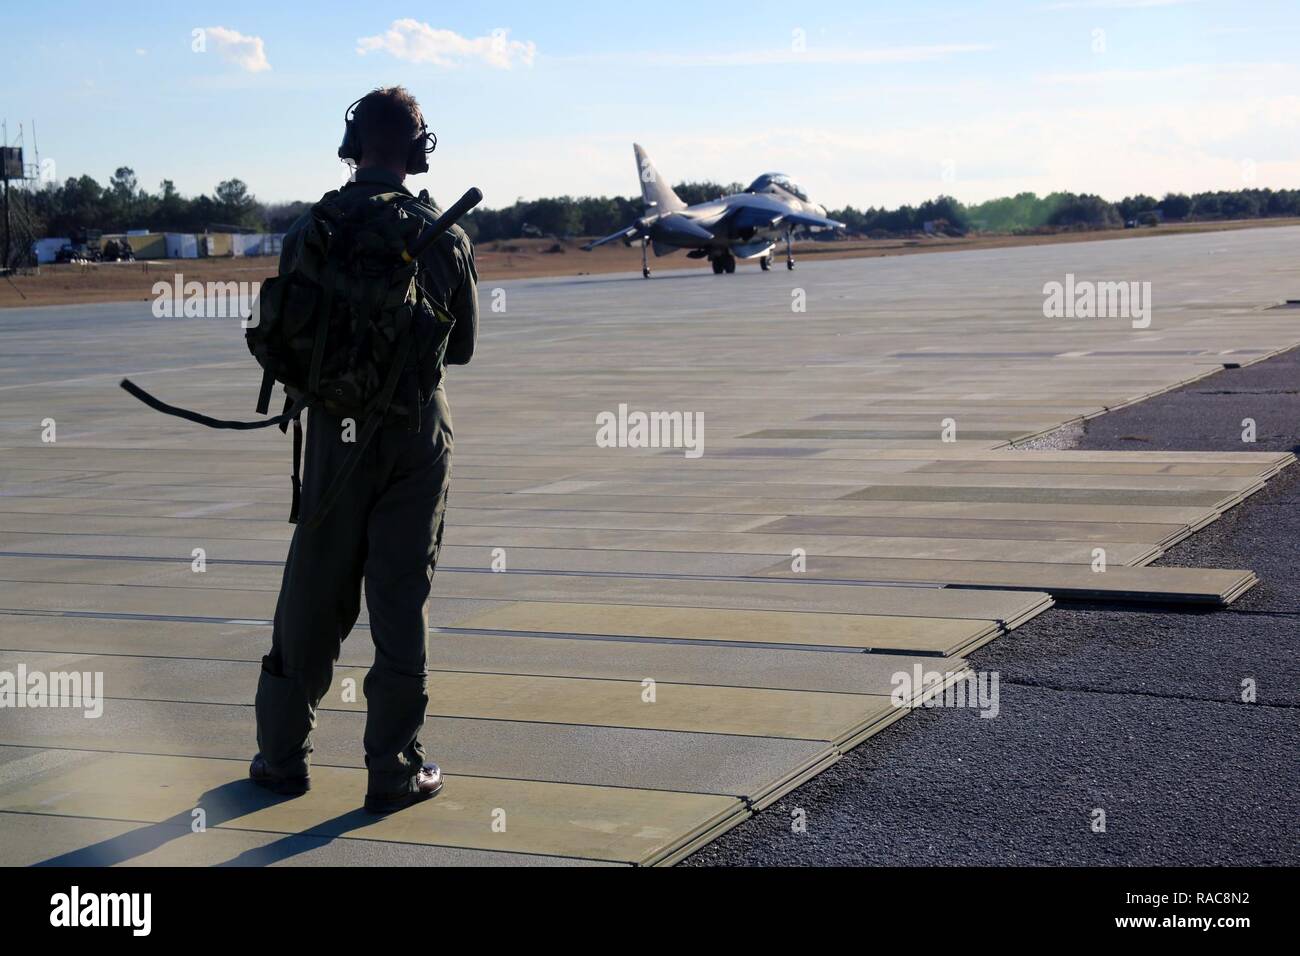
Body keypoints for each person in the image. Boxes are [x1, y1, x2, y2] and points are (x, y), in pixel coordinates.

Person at [248, 86, 478, 813]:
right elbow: (463, 348)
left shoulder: (312, 227)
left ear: (353, 144)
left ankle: (282, 758)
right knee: (400, 597)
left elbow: (290, 330)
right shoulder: (441, 231)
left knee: (313, 588)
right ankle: (392, 767)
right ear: (418, 149)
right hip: (413, 432)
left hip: (332, 434)